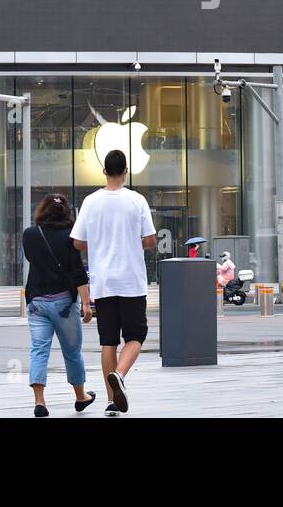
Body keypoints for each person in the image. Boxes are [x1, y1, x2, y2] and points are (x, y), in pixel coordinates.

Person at [71, 149, 156, 417]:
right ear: (126, 171)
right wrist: (134, 241)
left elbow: (77, 242)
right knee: (135, 336)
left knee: (108, 342)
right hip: (131, 280)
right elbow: (151, 240)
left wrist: (97, 242)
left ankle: (111, 402)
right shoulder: (137, 200)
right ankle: (119, 374)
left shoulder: (91, 201)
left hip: (103, 282)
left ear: (104, 171)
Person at [22, 194, 98, 417]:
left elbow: (31, 259)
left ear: (42, 210)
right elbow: (77, 271)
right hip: (64, 302)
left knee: (39, 350)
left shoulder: (29, 235)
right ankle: (80, 396)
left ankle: (40, 401)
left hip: (36, 301)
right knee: (72, 351)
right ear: (67, 213)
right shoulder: (70, 238)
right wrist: (86, 303)